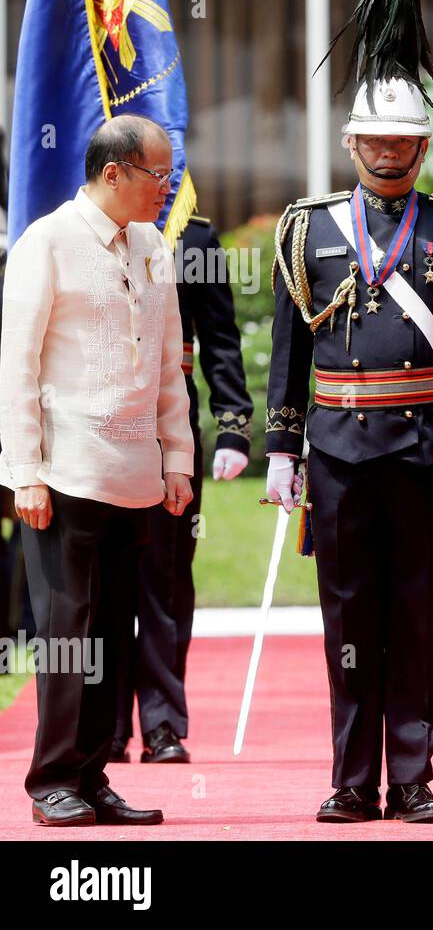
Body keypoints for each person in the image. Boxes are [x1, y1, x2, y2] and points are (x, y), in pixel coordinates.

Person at [264, 0, 433, 824]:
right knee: (348, 620)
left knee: (417, 613)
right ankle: (350, 779)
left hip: (428, 446)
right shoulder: (308, 228)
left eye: (403, 145)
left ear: (423, 148)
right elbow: (290, 348)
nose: (389, 155)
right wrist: (283, 448)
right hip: (338, 447)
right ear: (352, 145)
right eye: (376, 144)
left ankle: (413, 776)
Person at [0, 114, 194, 826]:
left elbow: (170, 365)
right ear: (112, 173)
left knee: (115, 632)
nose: (166, 189)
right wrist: (25, 470)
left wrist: (178, 456)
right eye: (156, 175)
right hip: (66, 474)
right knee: (67, 633)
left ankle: (93, 774)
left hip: (134, 475)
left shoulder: (152, 247)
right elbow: (15, 366)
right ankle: (52, 777)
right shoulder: (46, 243)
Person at [112, 211, 254, 765]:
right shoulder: (74, 234)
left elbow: (220, 336)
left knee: (165, 579)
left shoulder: (192, 237)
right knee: (102, 583)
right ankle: (104, 728)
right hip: (96, 431)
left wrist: (234, 426)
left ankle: (162, 724)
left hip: (171, 426)